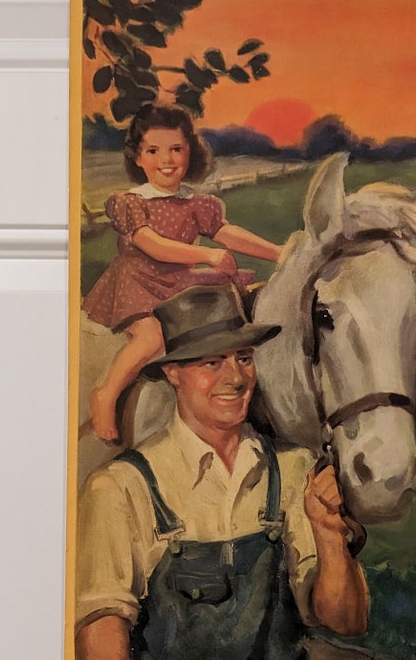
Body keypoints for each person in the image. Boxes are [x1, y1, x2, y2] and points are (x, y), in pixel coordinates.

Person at [75, 284, 369, 660]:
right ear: (173, 374)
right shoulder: (119, 488)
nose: (235, 378)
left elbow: (347, 622)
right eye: (212, 363)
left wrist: (330, 534)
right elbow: (103, 641)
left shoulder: (294, 469)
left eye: (244, 359)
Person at [82, 103, 282, 443]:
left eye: (176, 149)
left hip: (179, 287)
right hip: (138, 284)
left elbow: (225, 232)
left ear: (190, 151)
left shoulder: (195, 203)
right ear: (138, 157)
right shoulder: (132, 202)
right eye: (154, 151)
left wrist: (281, 252)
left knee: (222, 332)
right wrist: (206, 253)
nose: (167, 159)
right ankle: (106, 394)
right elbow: (153, 245)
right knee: (152, 337)